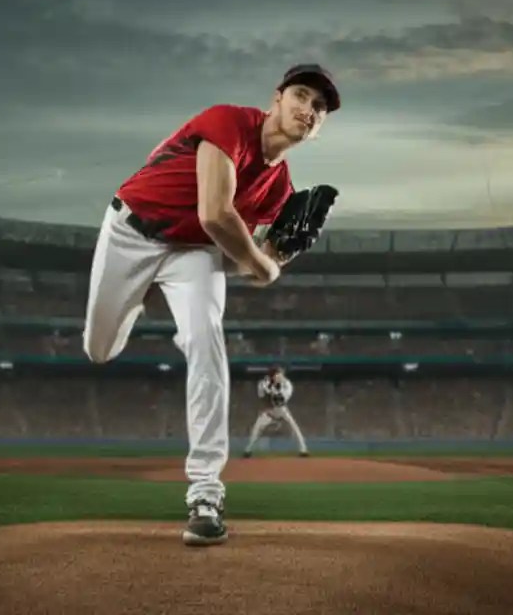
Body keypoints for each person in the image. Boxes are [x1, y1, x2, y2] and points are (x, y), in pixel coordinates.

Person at [82, 64, 341, 546]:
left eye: (320, 107)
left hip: (193, 253)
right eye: (302, 95)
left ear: (320, 124)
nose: (309, 109)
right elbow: (216, 214)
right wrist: (266, 268)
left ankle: (205, 493)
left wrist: (271, 256)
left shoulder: (279, 189)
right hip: (131, 232)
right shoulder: (229, 122)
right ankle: (137, 297)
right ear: (278, 98)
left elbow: (234, 256)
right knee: (99, 350)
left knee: (207, 344)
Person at [243, 365, 310, 457]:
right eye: (278, 374)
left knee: (294, 427)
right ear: (272, 376)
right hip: (269, 412)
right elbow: (263, 398)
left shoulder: (287, 384)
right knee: (256, 427)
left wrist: (272, 391)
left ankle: (303, 449)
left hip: (281, 410)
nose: (280, 376)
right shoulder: (263, 383)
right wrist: (268, 391)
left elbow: (280, 400)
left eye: (281, 374)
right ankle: (248, 450)